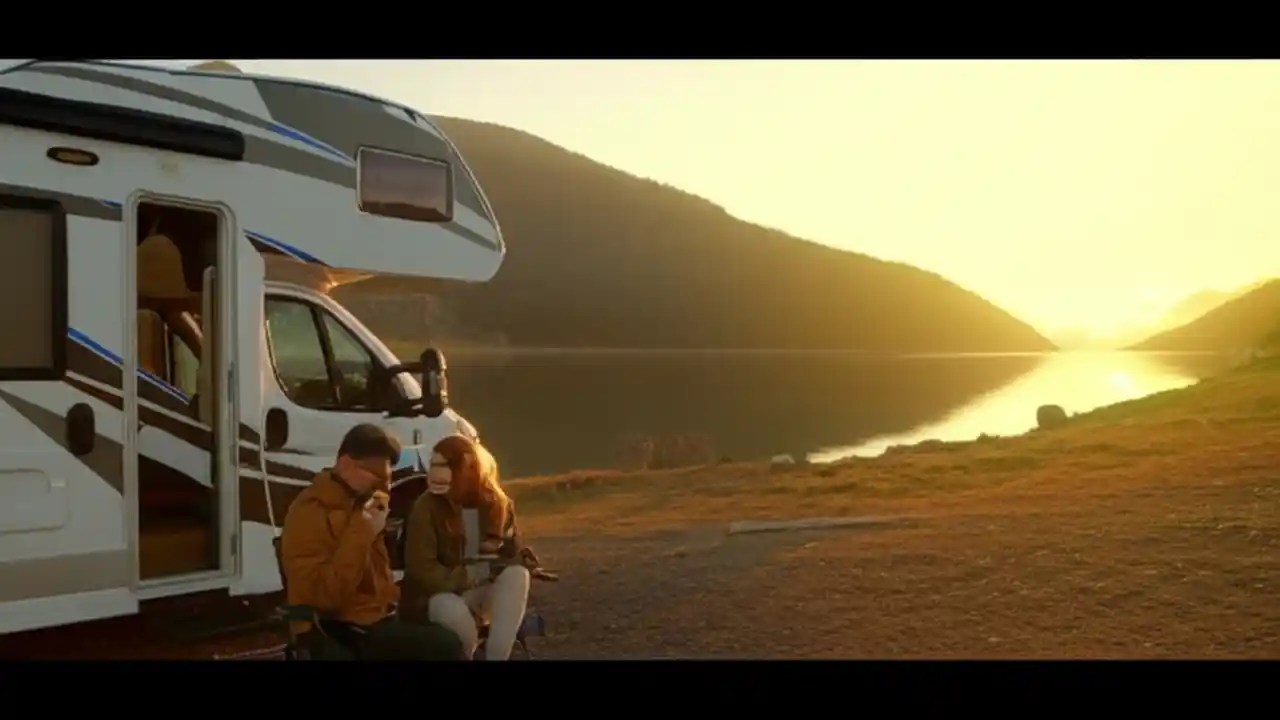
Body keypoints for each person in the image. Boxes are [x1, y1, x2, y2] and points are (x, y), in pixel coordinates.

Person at [279, 423, 464, 660]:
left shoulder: (360, 505)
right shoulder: (311, 512)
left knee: (446, 633)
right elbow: (323, 597)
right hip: (336, 628)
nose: (385, 488)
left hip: (373, 620)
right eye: (377, 478)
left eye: (387, 479)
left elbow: (378, 584)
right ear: (346, 464)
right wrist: (363, 532)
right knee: (444, 646)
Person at [400, 434, 538, 660]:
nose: (434, 472)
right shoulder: (425, 507)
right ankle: (467, 654)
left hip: (483, 588)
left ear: (466, 467)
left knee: (517, 576)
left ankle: (497, 656)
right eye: (433, 464)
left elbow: (512, 556)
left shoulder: (496, 503)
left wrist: (506, 553)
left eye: (443, 465)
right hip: (441, 594)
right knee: (452, 612)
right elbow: (421, 570)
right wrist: (465, 577)